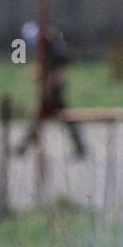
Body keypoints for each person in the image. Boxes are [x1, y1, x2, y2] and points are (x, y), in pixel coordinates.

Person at [14, 21, 87, 159]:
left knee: (46, 118)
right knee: (42, 118)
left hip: (54, 89)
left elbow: (63, 62)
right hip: (49, 88)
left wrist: (52, 78)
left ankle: (22, 149)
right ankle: (22, 148)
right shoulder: (47, 46)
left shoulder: (52, 45)